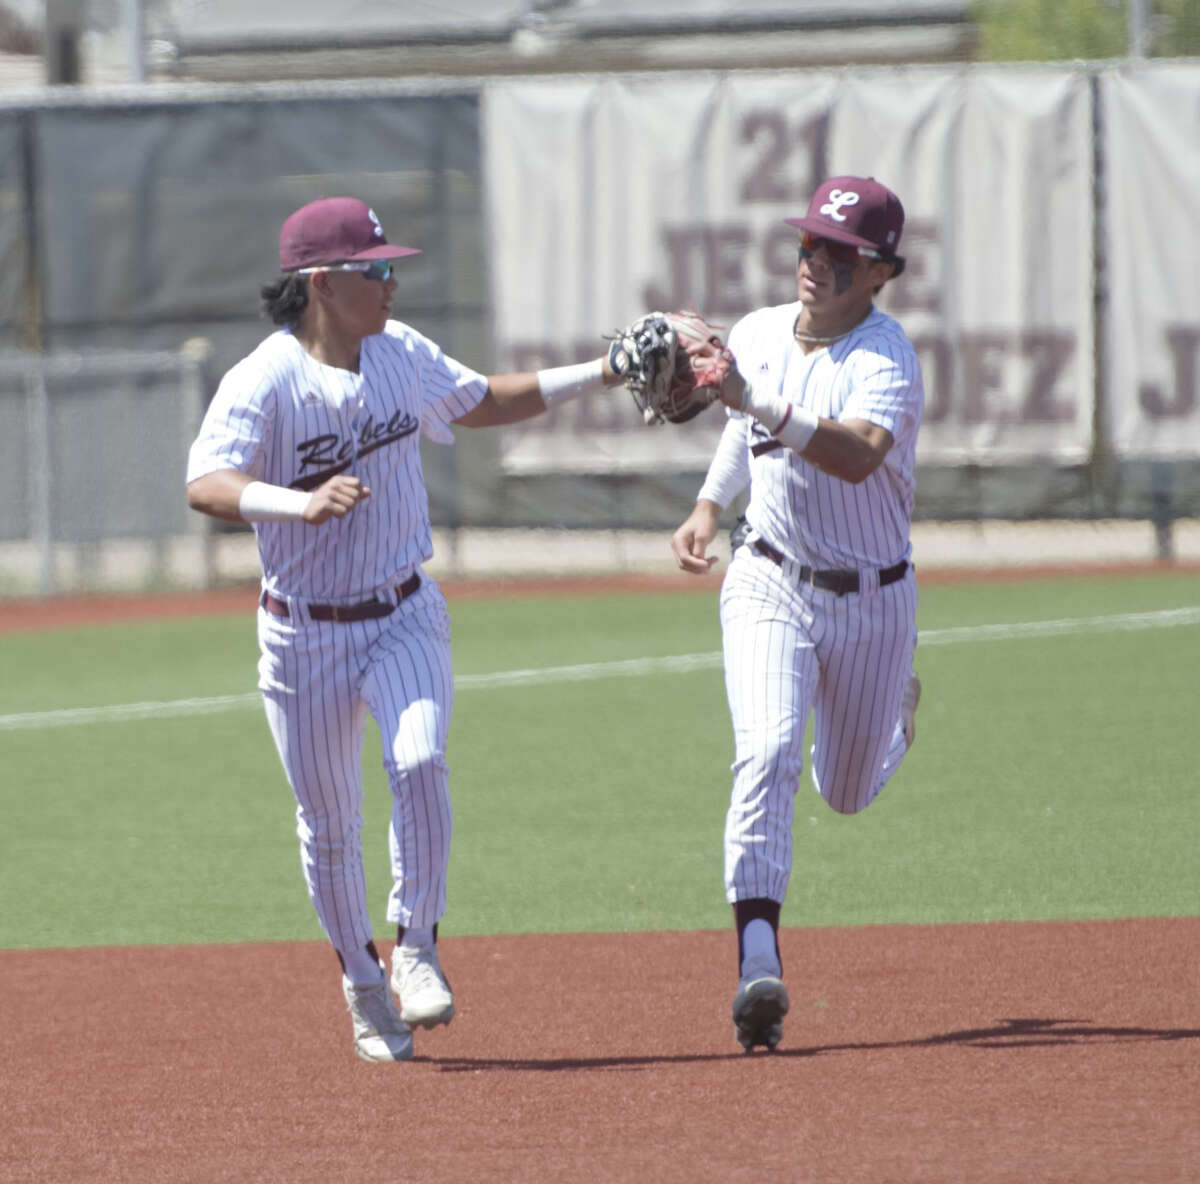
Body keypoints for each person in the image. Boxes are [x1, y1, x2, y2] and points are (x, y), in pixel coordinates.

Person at [186, 196, 620, 1062]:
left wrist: (603, 370)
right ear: (323, 284)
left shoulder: (399, 352)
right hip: (303, 635)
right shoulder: (263, 378)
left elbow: (484, 400)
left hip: (404, 609)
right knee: (329, 825)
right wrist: (299, 503)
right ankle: (359, 974)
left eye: (390, 266)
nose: (391, 280)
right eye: (374, 268)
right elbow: (207, 482)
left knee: (418, 758)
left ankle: (416, 941)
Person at [668, 176, 924, 1053]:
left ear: (882, 270)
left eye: (841, 253)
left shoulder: (887, 359)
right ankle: (757, 963)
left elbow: (854, 457)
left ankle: (896, 711)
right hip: (769, 575)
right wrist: (708, 506)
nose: (818, 263)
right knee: (768, 750)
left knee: (845, 794)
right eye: (811, 245)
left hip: (874, 598)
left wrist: (751, 398)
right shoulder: (757, 334)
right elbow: (743, 436)